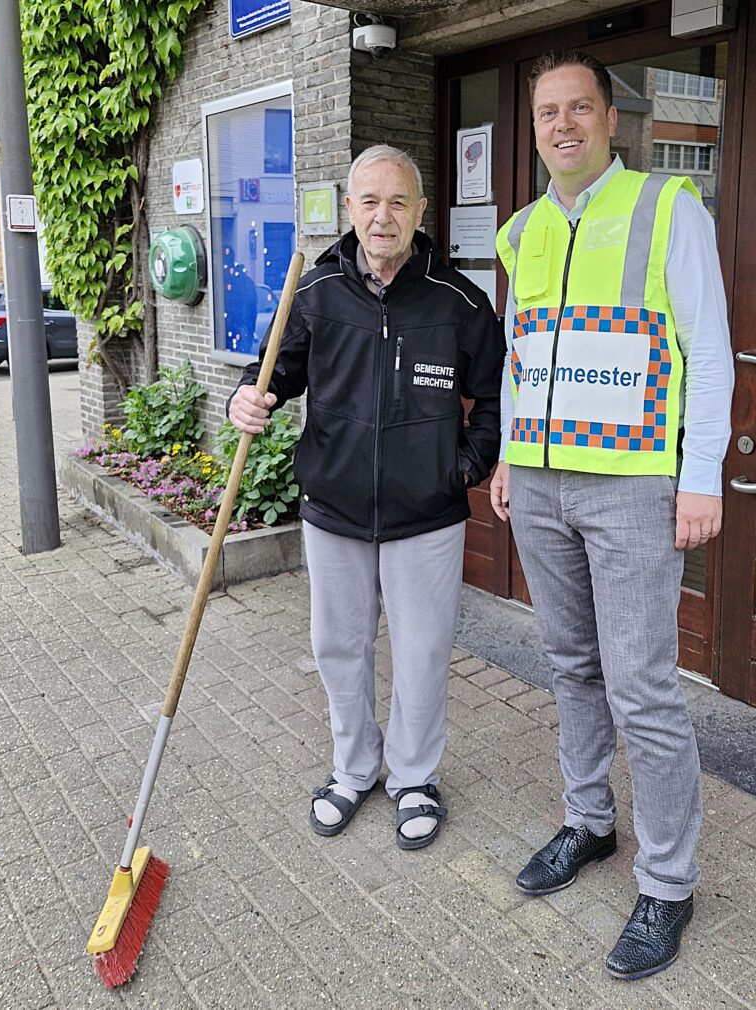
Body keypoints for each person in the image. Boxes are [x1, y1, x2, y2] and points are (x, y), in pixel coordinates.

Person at [490, 50, 734, 979]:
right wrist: (513, 452)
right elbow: (525, 357)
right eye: (547, 111)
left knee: (644, 684)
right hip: (543, 485)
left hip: (634, 485)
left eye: (578, 108)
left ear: (609, 120)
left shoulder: (668, 208)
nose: (562, 124)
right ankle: (588, 821)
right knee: (570, 663)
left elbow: (709, 351)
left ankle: (669, 882)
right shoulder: (519, 233)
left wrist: (700, 476)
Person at [228, 145, 503, 849]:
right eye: (370, 201)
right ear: (350, 210)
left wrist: (462, 467)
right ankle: (354, 768)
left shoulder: (459, 301)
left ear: (420, 211)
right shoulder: (314, 293)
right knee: (337, 647)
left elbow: (500, 394)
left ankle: (414, 777)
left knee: (421, 652)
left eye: (398, 202)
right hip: (336, 510)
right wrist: (244, 399)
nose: (384, 217)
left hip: (426, 515)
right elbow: (273, 374)